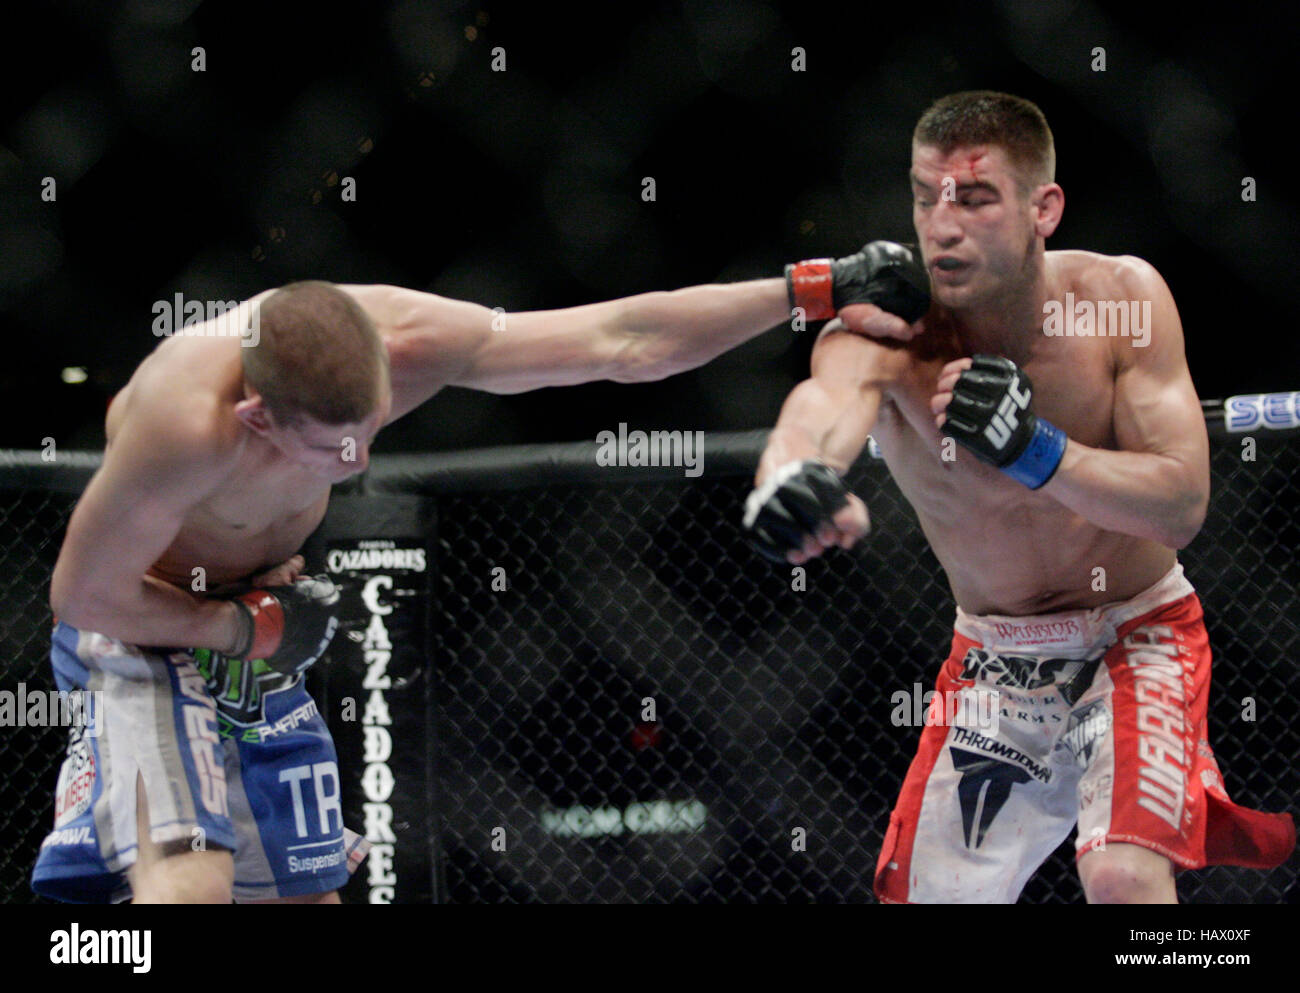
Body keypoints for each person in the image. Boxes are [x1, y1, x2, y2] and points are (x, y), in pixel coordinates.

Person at [33, 256, 918, 904]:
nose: (357, 459)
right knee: (186, 874)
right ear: (255, 415)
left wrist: (806, 292)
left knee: (303, 891)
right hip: (150, 630)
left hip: (263, 634)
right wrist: (242, 628)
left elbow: (623, 337)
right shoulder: (182, 423)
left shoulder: (407, 334)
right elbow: (84, 597)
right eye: (327, 446)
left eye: (369, 426)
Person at [743, 90, 1295, 903]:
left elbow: (1181, 503)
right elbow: (818, 413)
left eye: (973, 197)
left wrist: (1038, 452)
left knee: (1122, 875)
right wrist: (787, 476)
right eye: (925, 197)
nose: (942, 224)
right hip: (995, 660)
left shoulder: (1121, 300)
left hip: (1136, 634)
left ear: (1045, 207)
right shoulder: (885, 335)